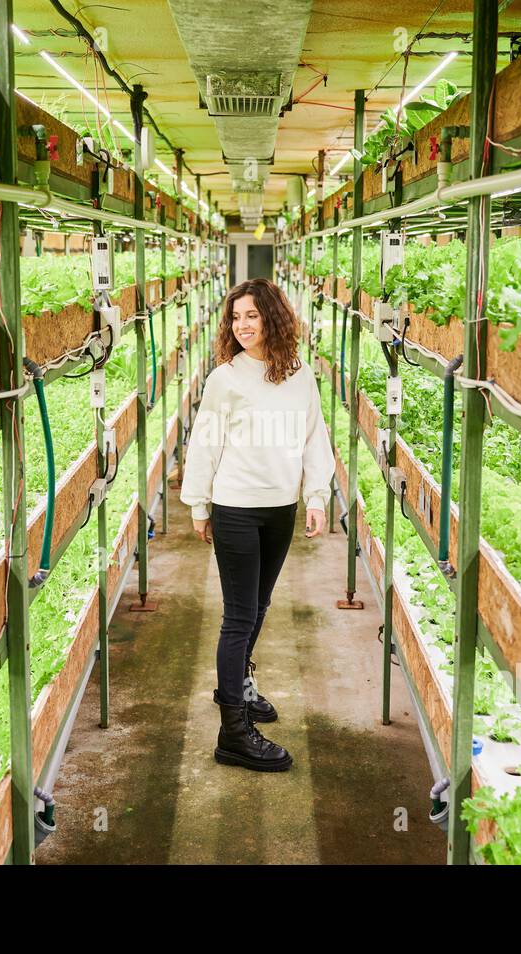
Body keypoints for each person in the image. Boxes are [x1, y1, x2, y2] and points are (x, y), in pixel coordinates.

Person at [180, 278, 333, 773]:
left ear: (273, 317)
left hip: (280, 507)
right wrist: (199, 505)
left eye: (252, 315)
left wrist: (315, 496)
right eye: (235, 317)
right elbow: (204, 445)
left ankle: (239, 688)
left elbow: (314, 438)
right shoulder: (226, 378)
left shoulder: (300, 375)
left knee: (261, 605)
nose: (242, 325)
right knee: (240, 615)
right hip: (236, 508)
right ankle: (233, 733)